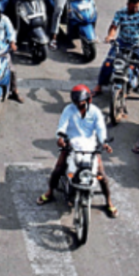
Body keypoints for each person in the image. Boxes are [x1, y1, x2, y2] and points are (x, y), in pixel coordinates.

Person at [37, 86, 117, 218]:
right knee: (58, 169)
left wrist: (104, 143)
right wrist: (60, 138)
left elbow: (101, 129)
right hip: (71, 145)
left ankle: (108, 201)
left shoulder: (95, 112)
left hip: (90, 147)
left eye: (81, 103)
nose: (79, 105)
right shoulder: (68, 110)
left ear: (88, 100)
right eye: (76, 103)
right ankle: (50, 192)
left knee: (101, 175)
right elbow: (62, 126)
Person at [94, 0, 139, 98]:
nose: (135, 9)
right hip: (122, 42)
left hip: (138, 44)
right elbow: (113, 27)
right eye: (133, 7)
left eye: (137, 7)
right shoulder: (120, 13)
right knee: (108, 62)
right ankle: (99, 85)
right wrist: (110, 36)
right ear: (128, 4)